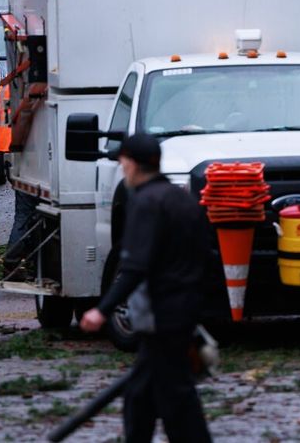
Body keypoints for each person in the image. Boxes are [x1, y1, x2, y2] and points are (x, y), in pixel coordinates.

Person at [79, 134, 212, 443]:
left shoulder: (146, 203)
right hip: (184, 308)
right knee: (140, 395)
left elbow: (134, 268)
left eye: (123, 161)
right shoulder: (182, 199)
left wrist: (102, 310)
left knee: (176, 397)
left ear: (133, 163)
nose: (122, 167)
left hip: (162, 313)